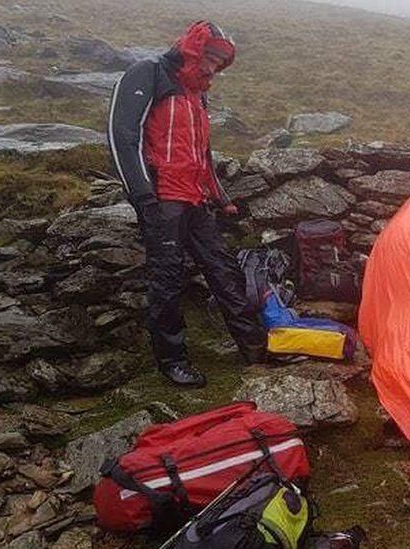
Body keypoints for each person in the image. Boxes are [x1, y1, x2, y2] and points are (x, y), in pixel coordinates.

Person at [107, 21, 267, 387]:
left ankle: (254, 346)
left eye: (219, 62)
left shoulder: (197, 94)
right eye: (209, 56)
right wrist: (142, 196)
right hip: (162, 198)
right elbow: (122, 135)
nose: (212, 67)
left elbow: (202, 152)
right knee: (167, 279)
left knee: (222, 269)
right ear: (194, 47)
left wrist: (220, 197)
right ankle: (172, 361)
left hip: (195, 198)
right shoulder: (149, 73)